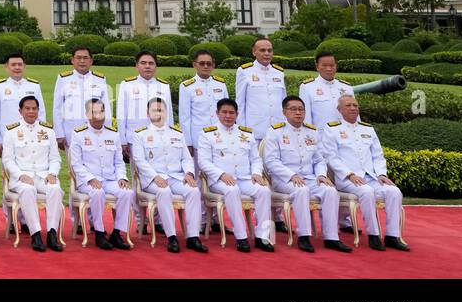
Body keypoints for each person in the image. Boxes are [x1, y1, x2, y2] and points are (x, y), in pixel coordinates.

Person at [262, 95, 350, 253]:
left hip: (310, 178)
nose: (298, 113)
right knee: (301, 191)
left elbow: (319, 159)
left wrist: (321, 175)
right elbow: (271, 161)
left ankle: (331, 237)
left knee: (330, 191)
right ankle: (304, 236)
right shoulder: (275, 132)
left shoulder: (312, 131)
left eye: (301, 109)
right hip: (284, 180)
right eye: (293, 109)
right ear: (284, 112)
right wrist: (290, 175)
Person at [323, 95, 409, 251]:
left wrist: (382, 174)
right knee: (367, 192)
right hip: (348, 179)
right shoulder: (332, 129)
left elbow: (378, 155)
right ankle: (374, 235)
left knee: (394, 192)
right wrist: (349, 174)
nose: (353, 108)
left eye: (355, 105)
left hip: (371, 177)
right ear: (340, 110)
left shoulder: (367, 128)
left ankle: (392, 236)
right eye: (348, 105)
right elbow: (331, 157)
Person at [196, 98, 275, 253]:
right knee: (232, 191)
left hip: (245, 178)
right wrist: (221, 174)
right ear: (217, 113)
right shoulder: (208, 134)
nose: (228, 116)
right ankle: (241, 237)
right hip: (220, 180)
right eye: (224, 112)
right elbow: (203, 162)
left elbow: (255, 158)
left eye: (231, 112)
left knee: (264, 191)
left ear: (237, 114)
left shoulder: (246, 133)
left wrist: (256, 173)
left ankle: (262, 236)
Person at [130, 98, 206, 253]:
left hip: (175, 177)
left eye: (161, 110)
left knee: (193, 190)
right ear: (148, 113)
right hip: (152, 180)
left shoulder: (177, 134)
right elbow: (139, 160)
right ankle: (171, 236)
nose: (158, 113)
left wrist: (189, 174)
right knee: (164, 192)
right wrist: (155, 177)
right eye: (155, 110)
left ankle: (193, 237)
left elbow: (186, 157)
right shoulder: (140, 135)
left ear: (166, 112)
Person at [68, 98, 134, 250]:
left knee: (127, 192)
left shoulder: (113, 134)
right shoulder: (78, 134)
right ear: (87, 114)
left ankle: (117, 233)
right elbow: (76, 164)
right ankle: (99, 232)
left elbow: (119, 162)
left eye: (101, 112)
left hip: (110, 179)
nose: (98, 116)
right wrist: (90, 179)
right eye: (94, 112)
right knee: (97, 193)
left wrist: (122, 178)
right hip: (87, 181)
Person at [1, 95, 63, 252]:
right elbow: (7, 160)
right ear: (20, 111)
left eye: (34, 109)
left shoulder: (48, 131)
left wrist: (52, 173)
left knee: (55, 188)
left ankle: (52, 233)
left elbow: (55, 159)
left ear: (38, 110)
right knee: (28, 190)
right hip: (21, 177)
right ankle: (35, 233)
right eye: (27, 109)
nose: (31, 112)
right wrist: (20, 175)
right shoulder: (11, 131)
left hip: (43, 176)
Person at [0, 53, 45, 156]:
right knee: (9, 170)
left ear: (24, 66)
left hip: (31, 136)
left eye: (19, 64)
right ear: (6, 67)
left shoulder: (34, 86)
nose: (17, 67)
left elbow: (41, 113)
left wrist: (41, 134)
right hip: (7, 137)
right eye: (13, 65)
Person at [50, 47, 109, 148]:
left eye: (85, 58)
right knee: (73, 163)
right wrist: (59, 133)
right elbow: (57, 108)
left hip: (95, 131)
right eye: (78, 58)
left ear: (91, 61)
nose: (82, 61)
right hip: (71, 131)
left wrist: (107, 131)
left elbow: (106, 107)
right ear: (72, 60)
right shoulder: (63, 79)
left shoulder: (99, 79)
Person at [115, 49, 173, 152]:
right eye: (143, 63)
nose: (147, 66)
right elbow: (121, 114)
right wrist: (122, 141)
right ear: (136, 66)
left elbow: (169, 115)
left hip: (159, 138)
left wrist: (170, 137)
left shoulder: (163, 86)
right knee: (137, 168)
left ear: (156, 66)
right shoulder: (127, 84)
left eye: (151, 63)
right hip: (134, 138)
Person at [235, 39, 286, 141]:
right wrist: (243, 131)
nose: (266, 53)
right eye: (262, 50)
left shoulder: (279, 72)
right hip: (255, 131)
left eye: (269, 50)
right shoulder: (244, 71)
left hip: (278, 130)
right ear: (254, 52)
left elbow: (284, 102)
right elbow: (240, 103)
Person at [178, 48, 226, 154]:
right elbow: (184, 117)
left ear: (213, 65)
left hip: (220, 136)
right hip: (198, 138)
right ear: (195, 65)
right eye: (202, 63)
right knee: (199, 170)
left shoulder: (220, 84)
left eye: (209, 63)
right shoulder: (187, 86)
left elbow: (226, 111)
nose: (205, 66)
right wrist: (188, 143)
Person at [298, 50, 355, 130]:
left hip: (346, 136)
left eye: (332, 65)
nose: (329, 69)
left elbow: (355, 114)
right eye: (324, 65)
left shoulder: (346, 87)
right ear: (317, 66)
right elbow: (306, 117)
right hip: (321, 136)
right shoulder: (307, 87)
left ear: (336, 66)